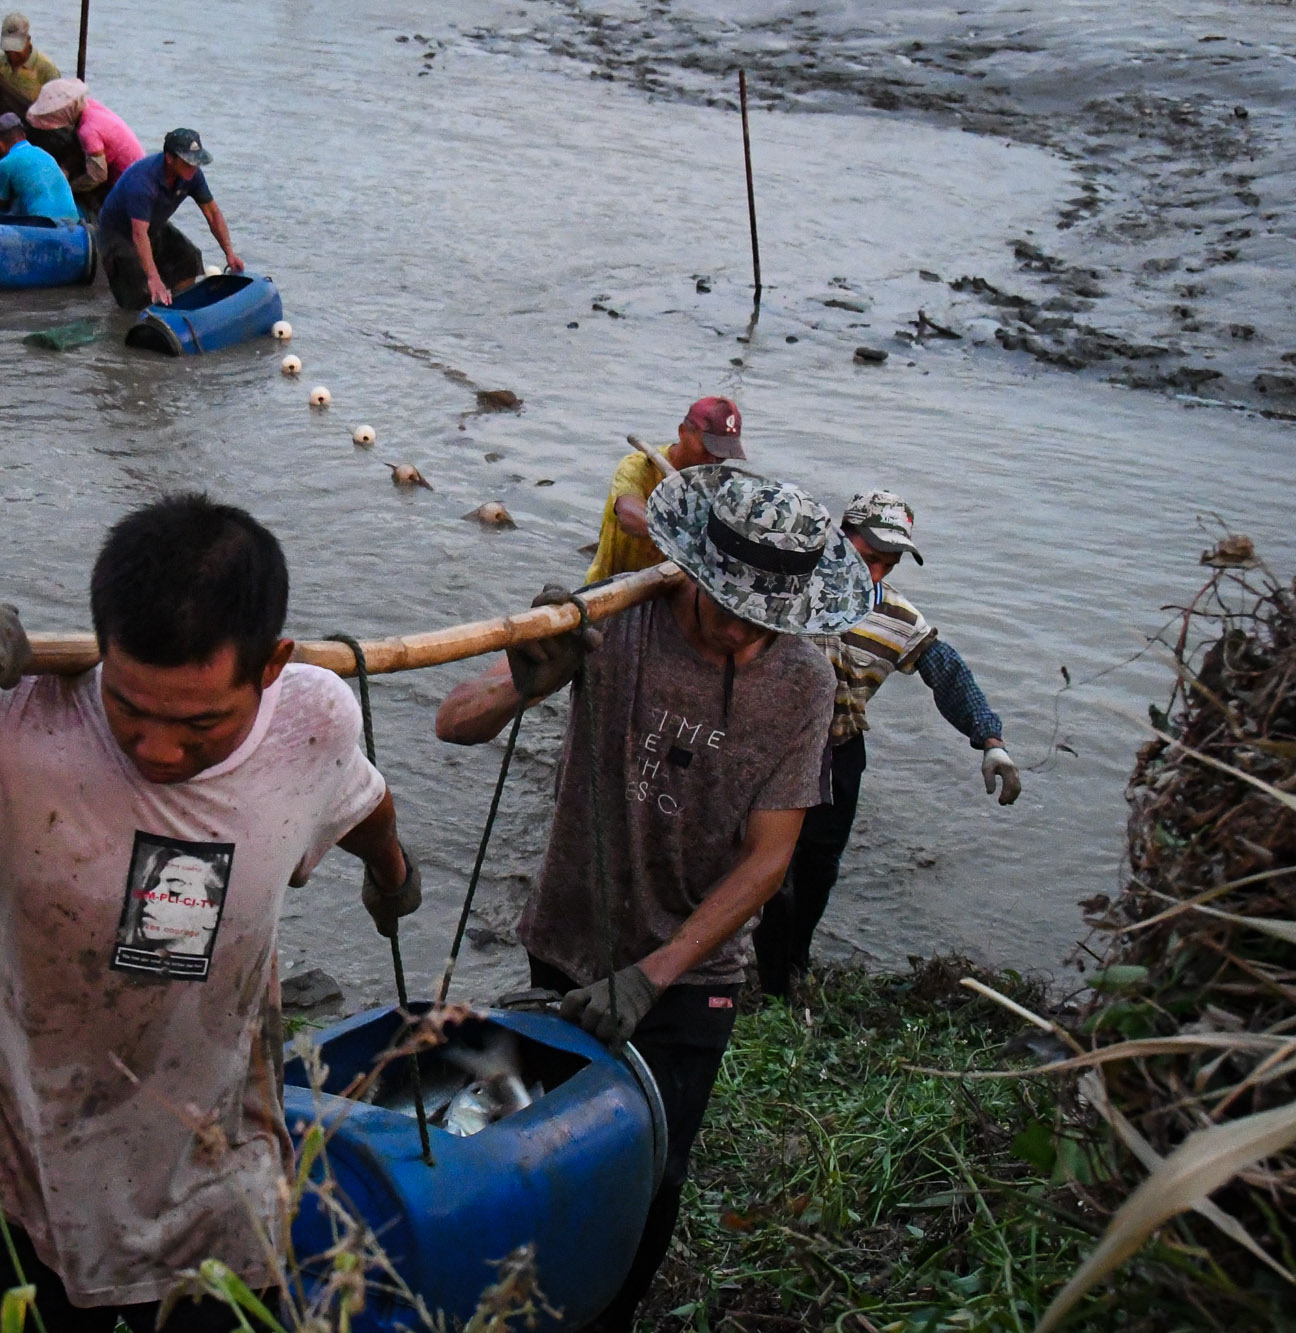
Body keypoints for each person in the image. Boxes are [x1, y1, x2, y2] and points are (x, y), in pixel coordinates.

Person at [0, 493, 422, 1333]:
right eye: (130, 709)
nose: (159, 749)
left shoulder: (311, 717)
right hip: (19, 1184)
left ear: (271, 666)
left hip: (215, 1193)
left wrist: (392, 873)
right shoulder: (7, 716)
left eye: (201, 723)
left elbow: (364, 805)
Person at [435, 464, 870, 1326]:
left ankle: (611, 1312)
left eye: (768, 620)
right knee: (526, 1140)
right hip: (567, 933)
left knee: (651, 1169)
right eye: (731, 609)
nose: (746, 634)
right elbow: (454, 723)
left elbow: (769, 858)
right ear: (697, 572)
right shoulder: (613, 622)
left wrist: (653, 973)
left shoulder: (804, 683)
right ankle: (518, 1302)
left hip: (695, 968)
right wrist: (530, 679)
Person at [755, 490, 1023, 1000]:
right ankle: (760, 974)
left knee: (816, 870)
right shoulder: (783, 589)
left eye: (889, 564)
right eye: (868, 557)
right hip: (768, 747)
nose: (875, 574)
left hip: (838, 754)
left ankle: (793, 966)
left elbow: (946, 673)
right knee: (766, 868)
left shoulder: (898, 620)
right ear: (839, 540)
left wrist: (989, 739)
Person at [584, 397, 747, 585]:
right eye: (708, 448)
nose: (714, 459)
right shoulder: (638, 466)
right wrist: (685, 532)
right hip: (612, 586)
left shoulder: (717, 485)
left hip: (667, 591)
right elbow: (629, 516)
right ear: (683, 432)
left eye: (723, 453)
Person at [96, 129, 243, 310]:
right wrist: (153, 277)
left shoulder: (192, 175)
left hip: (152, 225)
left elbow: (212, 213)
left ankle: (180, 308)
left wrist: (229, 252)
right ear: (170, 158)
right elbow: (139, 233)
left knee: (188, 257)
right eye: (188, 162)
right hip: (118, 233)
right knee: (139, 290)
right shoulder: (142, 182)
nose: (194, 167)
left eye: (196, 161)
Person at [26, 78, 143, 209]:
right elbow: (78, 150)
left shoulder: (88, 131)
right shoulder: (91, 106)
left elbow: (97, 176)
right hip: (135, 170)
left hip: (126, 184)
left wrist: (69, 188)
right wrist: (65, 169)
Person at [0, 112, 80, 219]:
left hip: (43, 224)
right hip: (73, 219)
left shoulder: (5, 164)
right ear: (24, 135)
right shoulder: (43, 153)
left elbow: (1, 205)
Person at [0, 12, 60, 102]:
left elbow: (56, 107)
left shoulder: (47, 70)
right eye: (8, 46)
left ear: (28, 40)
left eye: (16, 46)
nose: (11, 52)